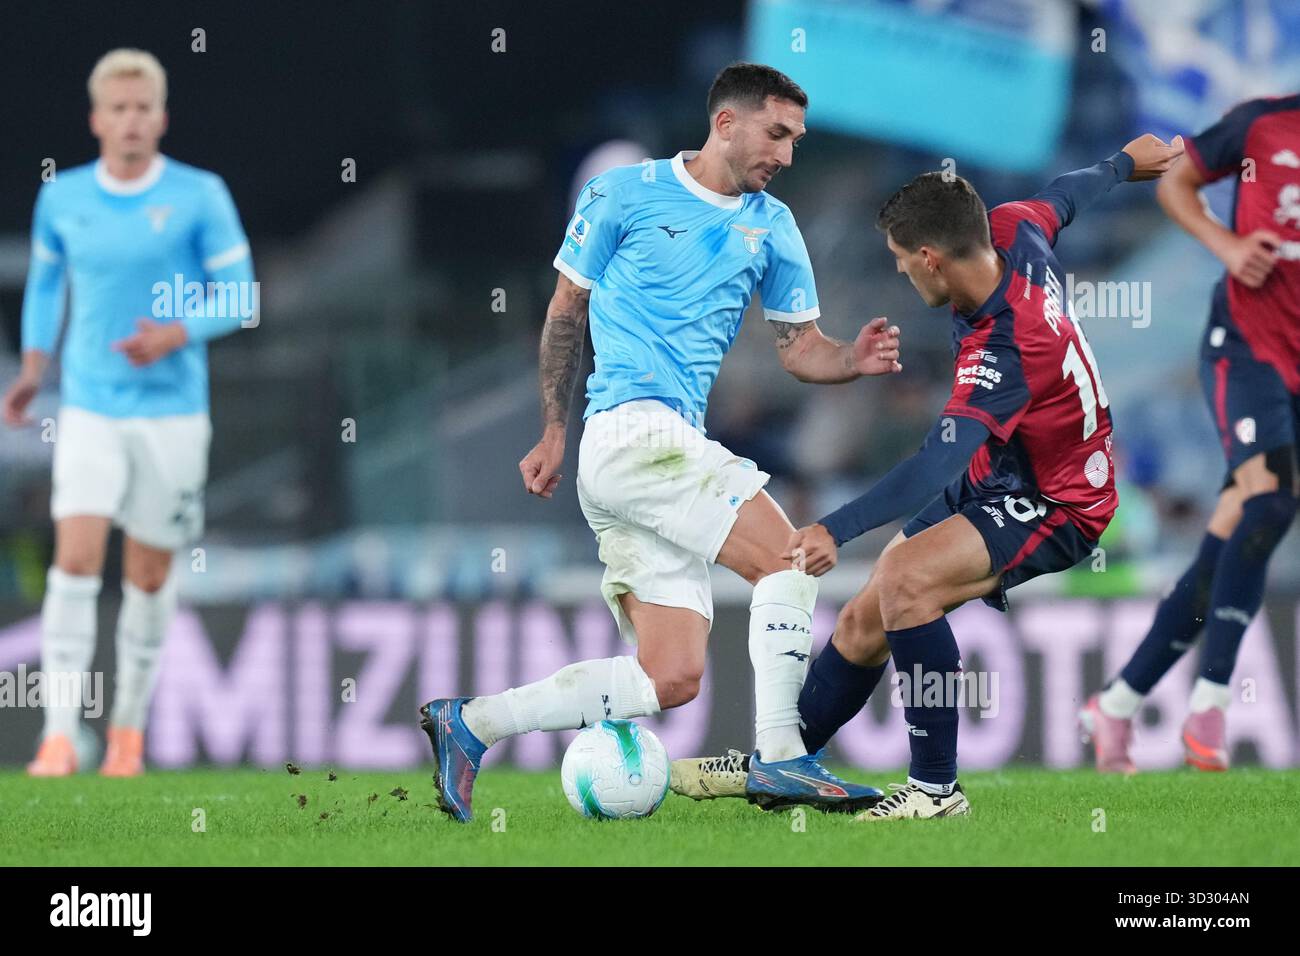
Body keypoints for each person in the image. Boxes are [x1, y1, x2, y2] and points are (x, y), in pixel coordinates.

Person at [419, 63, 903, 822]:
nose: (786, 154)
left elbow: (798, 348)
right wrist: (553, 429)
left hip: (662, 450)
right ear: (726, 124)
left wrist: (851, 359)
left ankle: (472, 724)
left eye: (797, 140)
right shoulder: (624, 193)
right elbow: (564, 311)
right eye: (777, 134)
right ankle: (781, 756)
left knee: (670, 677)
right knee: (791, 557)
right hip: (633, 435)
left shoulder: (772, 226)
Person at [672, 134, 1185, 819]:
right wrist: (1123, 163)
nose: (904, 277)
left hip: (1056, 499)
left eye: (901, 263)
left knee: (907, 582)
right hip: (996, 473)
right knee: (861, 620)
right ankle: (781, 769)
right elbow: (1066, 194)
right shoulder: (1012, 229)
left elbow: (935, 463)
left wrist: (837, 526)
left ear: (930, 257)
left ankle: (936, 791)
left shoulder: (1008, 345)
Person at [2, 49, 256, 777]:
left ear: (161, 116)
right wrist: (31, 367)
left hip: (173, 413)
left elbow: (242, 295)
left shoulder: (200, 194)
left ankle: (127, 735)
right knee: (74, 563)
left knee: (148, 577)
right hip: (89, 407)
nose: (131, 120)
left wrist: (178, 332)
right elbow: (47, 288)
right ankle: (55, 736)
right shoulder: (65, 198)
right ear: (96, 119)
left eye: (143, 108)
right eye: (118, 109)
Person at [1082, 95, 1300, 773]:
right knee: (1269, 503)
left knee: (1237, 524)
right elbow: (1177, 179)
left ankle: (1117, 703)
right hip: (1247, 341)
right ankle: (1210, 701)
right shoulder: (1262, 122)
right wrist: (1228, 245)